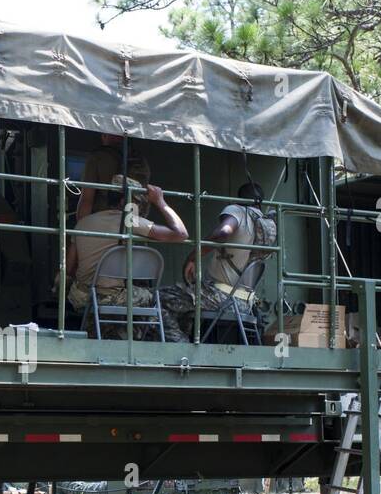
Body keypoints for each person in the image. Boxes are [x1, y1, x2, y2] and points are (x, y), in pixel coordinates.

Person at [65, 176, 188, 339]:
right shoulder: (130, 221)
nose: (139, 207)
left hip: (83, 296)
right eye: (137, 202)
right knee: (161, 299)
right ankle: (179, 345)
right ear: (124, 201)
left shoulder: (83, 223)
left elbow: (69, 268)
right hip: (114, 297)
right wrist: (160, 202)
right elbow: (181, 234)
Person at [158, 182, 277, 343]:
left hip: (221, 297)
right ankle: (190, 342)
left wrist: (193, 257)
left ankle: (181, 345)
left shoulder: (238, 210)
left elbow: (223, 232)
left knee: (158, 298)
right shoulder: (267, 226)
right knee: (185, 303)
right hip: (245, 303)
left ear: (238, 199)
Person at [76, 135, 150, 222]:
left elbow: (87, 199)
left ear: (105, 135)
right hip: (132, 221)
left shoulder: (98, 157)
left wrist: (81, 228)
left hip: (104, 220)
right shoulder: (141, 161)